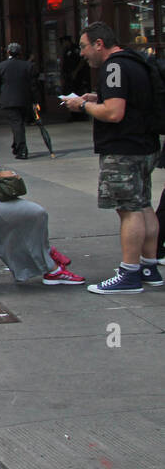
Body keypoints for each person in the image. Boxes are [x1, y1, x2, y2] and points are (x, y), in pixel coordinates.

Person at [61, 23, 162, 294]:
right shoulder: (135, 61)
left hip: (123, 149)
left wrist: (82, 105)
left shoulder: (113, 66)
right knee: (143, 206)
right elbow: (128, 100)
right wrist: (98, 97)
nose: (82, 53)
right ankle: (148, 267)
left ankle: (129, 274)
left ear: (98, 44)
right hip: (145, 144)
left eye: (84, 46)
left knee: (128, 210)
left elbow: (114, 113)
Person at [0, 94, 85, 284]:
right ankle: (52, 267)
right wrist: (2, 175)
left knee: (17, 227)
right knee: (36, 214)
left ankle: (47, 259)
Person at [0, 43, 38, 160]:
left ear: (8, 52)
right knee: (19, 123)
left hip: (8, 100)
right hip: (24, 100)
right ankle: (17, 146)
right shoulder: (28, 65)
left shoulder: (1, 66)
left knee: (17, 124)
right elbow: (33, 86)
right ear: (20, 53)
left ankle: (22, 150)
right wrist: (35, 101)